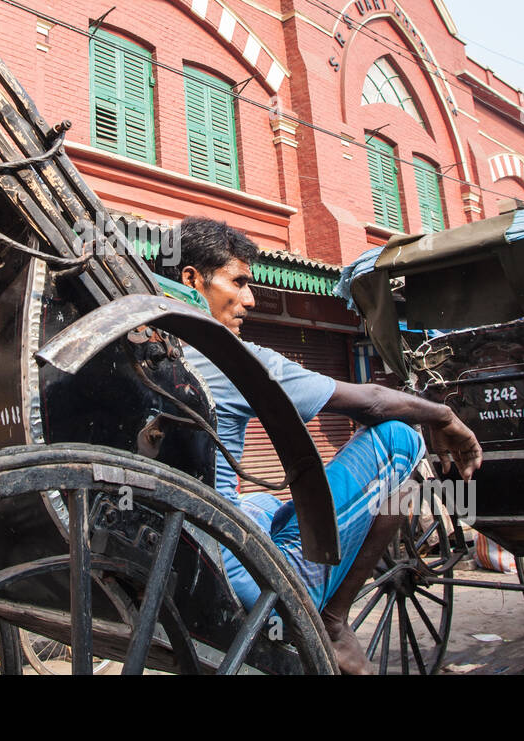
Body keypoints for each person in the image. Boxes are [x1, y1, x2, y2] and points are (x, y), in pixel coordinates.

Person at [170, 216, 482, 674]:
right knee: (399, 438)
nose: (250, 300)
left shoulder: (153, 346)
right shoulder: (226, 355)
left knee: (256, 499)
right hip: (233, 580)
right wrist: (445, 416)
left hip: (176, 553)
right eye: (238, 282)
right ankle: (333, 620)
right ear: (192, 280)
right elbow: (371, 404)